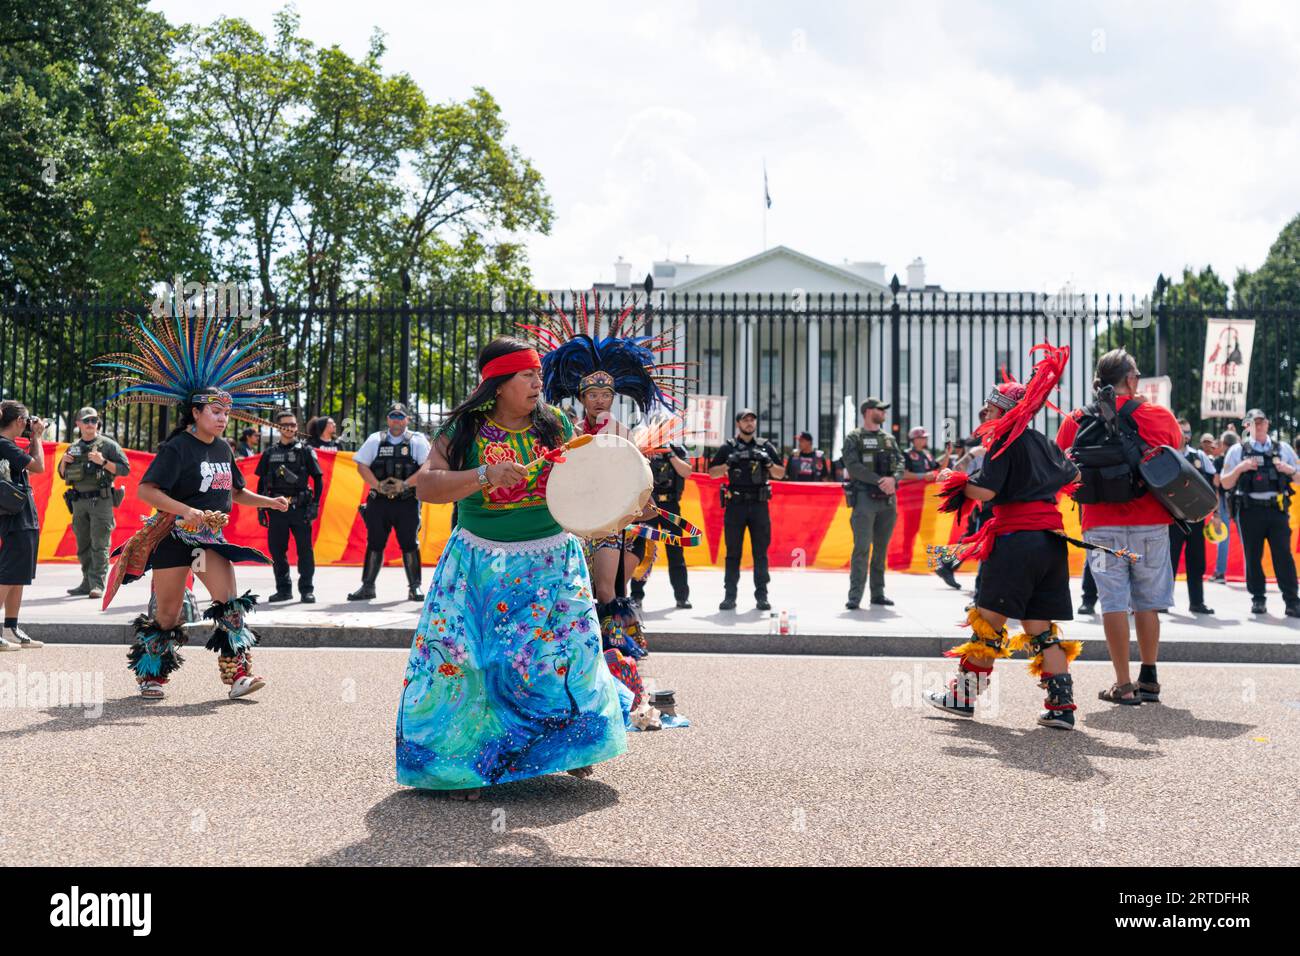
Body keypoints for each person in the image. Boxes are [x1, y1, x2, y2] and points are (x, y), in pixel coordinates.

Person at [397, 336, 627, 798]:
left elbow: (588, 481)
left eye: (539, 374)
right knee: (467, 662)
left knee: (569, 653)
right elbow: (425, 486)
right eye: (527, 375)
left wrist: (624, 496)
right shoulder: (465, 429)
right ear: (498, 383)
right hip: (479, 564)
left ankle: (569, 748)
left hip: (553, 561)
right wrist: (483, 475)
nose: (537, 382)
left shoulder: (554, 424)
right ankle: (458, 766)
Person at [93, 305, 299, 700]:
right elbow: (146, 492)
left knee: (229, 604)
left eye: (227, 412)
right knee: (168, 613)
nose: (223, 419)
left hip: (209, 540)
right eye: (216, 412)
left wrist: (268, 502)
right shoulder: (177, 449)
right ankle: (152, 674)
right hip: (174, 538)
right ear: (196, 412)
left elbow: (235, 492)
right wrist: (186, 511)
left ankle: (238, 675)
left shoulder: (223, 447)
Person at [926, 343, 1082, 729]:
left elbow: (986, 493)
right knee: (1041, 627)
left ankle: (962, 697)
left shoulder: (1002, 443)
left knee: (988, 620)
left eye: (992, 408)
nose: (987, 414)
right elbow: (1074, 477)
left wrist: (955, 483)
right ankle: (1061, 707)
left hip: (1015, 542)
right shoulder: (1044, 442)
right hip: (1050, 543)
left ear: (1004, 410)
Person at [533, 292, 694, 645]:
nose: (599, 400)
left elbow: (636, 474)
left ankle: (614, 651)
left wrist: (641, 505)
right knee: (574, 588)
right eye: (592, 395)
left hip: (608, 522)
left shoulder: (621, 432)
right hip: (574, 523)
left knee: (608, 588)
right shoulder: (568, 430)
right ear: (582, 398)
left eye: (605, 395)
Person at [1056, 348, 1182, 706]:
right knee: (1148, 601)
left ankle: (1123, 685)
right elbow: (1176, 450)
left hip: (1100, 523)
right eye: (1137, 375)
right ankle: (1150, 675)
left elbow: (1061, 465)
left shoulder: (1077, 418)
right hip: (1151, 521)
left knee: (1112, 602)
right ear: (1129, 380)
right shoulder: (1156, 414)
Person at [1219, 409, 1300, 617]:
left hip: (1277, 510)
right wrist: (1241, 468)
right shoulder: (1238, 451)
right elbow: (1225, 482)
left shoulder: (1282, 449)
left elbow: (1298, 478)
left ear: (1268, 423)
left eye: (1262, 421)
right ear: (1247, 426)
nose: (1259, 426)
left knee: (1283, 556)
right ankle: (1258, 599)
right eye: (1254, 423)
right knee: (1253, 556)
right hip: (1250, 510)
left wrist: (1289, 470)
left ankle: (1292, 600)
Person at [348, 403, 430, 602]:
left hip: (407, 501)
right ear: (387, 419)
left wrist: (404, 485)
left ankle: (415, 588)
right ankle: (367, 587)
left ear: (407, 419)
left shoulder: (417, 441)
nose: (396, 419)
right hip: (379, 502)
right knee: (374, 543)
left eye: (400, 416)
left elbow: (427, 467)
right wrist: (377, 485)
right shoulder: (375, 439)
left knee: (410, 543)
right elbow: (361, 465)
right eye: (393, 415)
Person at [709, 409, 786, 611]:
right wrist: (729, 462)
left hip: (759, 505)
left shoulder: (765, 446)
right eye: (745, 420)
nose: (749, 423)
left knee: (760, 553)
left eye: (752, 419)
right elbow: (712, 473)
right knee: (733, 553)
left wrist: (767, 461)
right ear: (738, 424)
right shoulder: (728, 447)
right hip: (735, 505)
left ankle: (762, 596)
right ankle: (730, 596)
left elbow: (780, 473)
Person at [58, 406, 130, 599]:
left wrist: (103, 462)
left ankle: (97, 583)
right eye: (87, 420)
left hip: (101, 500)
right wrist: (64, 461)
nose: (91, 424)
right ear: (78, 424)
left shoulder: (107, 445)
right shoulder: (73, 447)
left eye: (94, 421)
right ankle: (86, 582)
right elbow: (62, 474)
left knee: (100, 544)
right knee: (83, 544)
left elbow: (125, 469)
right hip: (79, 502)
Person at [840, 398, 903, 609]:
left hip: (888, 501)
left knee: (881, 549)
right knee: (861, 548)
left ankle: (878, 593)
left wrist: (893, 479)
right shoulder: (854, 437)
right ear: (868, 412)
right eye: (880, 409)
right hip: (865, 498)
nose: (884, 412)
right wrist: (880, 481)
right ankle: (855, 596)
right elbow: (853, 466)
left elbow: (900, 462)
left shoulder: (889, 438)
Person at [256, 410, 324, 603]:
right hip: (276, 509)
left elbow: (318, 479)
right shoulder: (269, 453)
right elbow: (261, 483)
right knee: (277, 551)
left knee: (305, 551)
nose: (290, 428)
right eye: (285, 425)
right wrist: (260, 508)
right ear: (278, 427)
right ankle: (283, 589)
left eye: (293, 425)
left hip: (300, 507)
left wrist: (315, 504)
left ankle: (306, 590)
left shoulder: (305, 451)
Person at [0, 402, 47, 650]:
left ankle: (11, 626)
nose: (30, 425)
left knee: (18, 574)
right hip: (14, 519)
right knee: (8, 574)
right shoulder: (4, 444)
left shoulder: (9, 447)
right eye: (27, 420)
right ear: (19, 421)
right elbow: (39, 466)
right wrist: (37, 437)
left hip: (22, 517)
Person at [632, 438, 693, 609]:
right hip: (648, 505)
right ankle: (636, 595)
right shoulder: (642, 446)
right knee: (642, 550)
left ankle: (682, 596)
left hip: (670, 506)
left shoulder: (677, 448)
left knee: (676, 551)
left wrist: (669, 453)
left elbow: (686, 472)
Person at [1168, 417, 1216, 615]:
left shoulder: (1199, 456)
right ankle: (1162, 602)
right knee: (1168, 561)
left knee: (1196, 562)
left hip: (1196, 518)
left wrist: (1216, 512)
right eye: (1181, 431)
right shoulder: (1166, 454)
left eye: (1187, 432)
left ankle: (1197, 602)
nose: (1185, 436)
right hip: (1172, 519)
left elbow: (1213, 484)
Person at [1211, 430, 1238, 582]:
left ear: (1223, 444)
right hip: (1241, 498)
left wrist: (1215, 510)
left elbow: (1216, 483)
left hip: (1224, 500)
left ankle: (1220, 572)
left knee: (1223, 536)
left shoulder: (1220, 461)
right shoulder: (1241, 457)